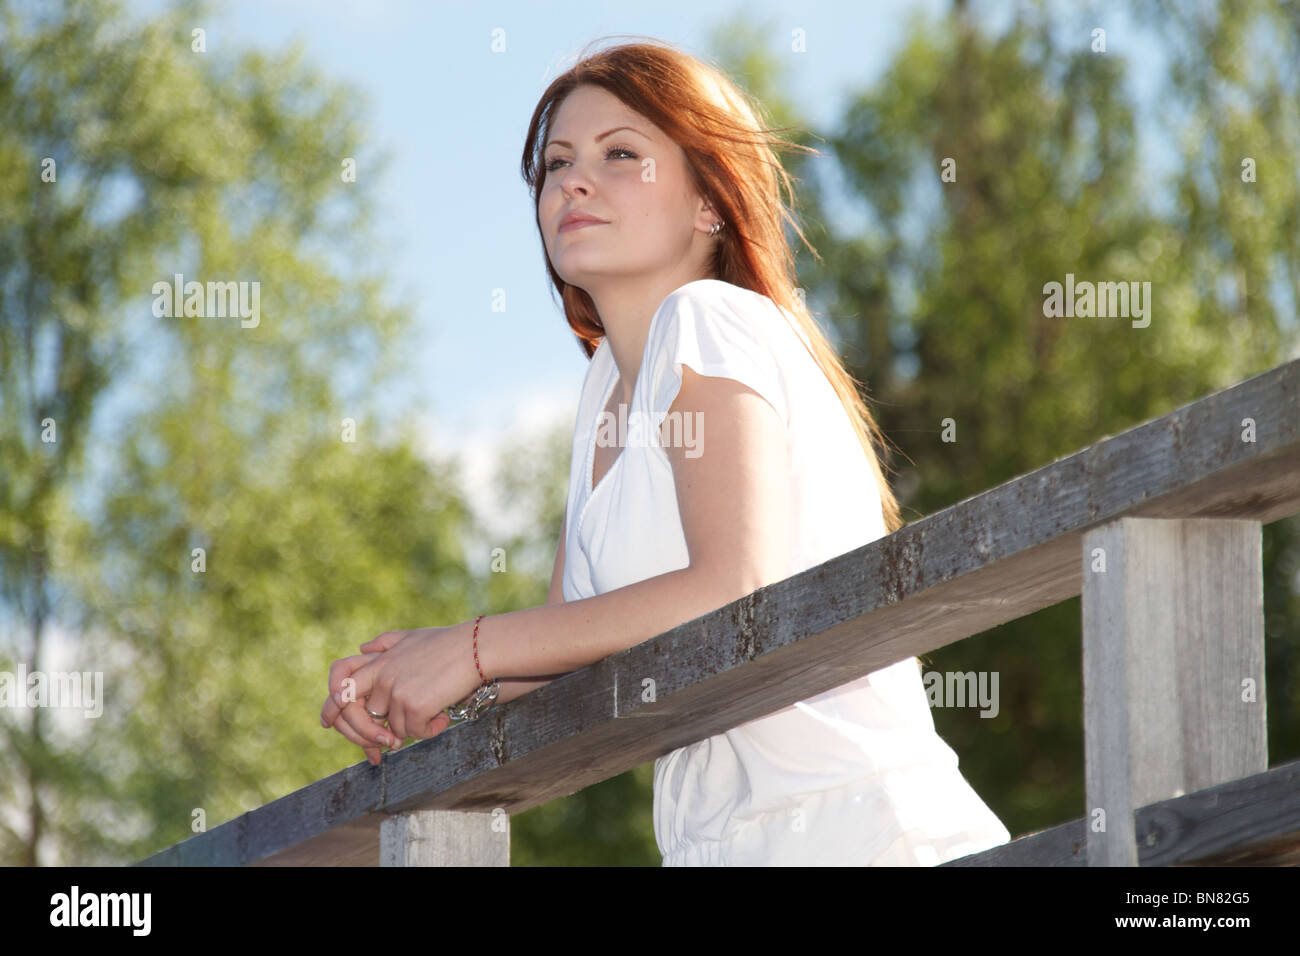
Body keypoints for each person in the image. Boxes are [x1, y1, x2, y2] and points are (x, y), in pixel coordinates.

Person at [320, 37, 1011, 866]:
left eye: (622, 155)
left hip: (858, 832)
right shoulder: (605, 386)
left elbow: (733, 587)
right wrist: (416, 679)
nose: (573, 180)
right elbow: (559, 653)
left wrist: (471, 648)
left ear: (708, 202)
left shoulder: (713, 320)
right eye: (556, 164)